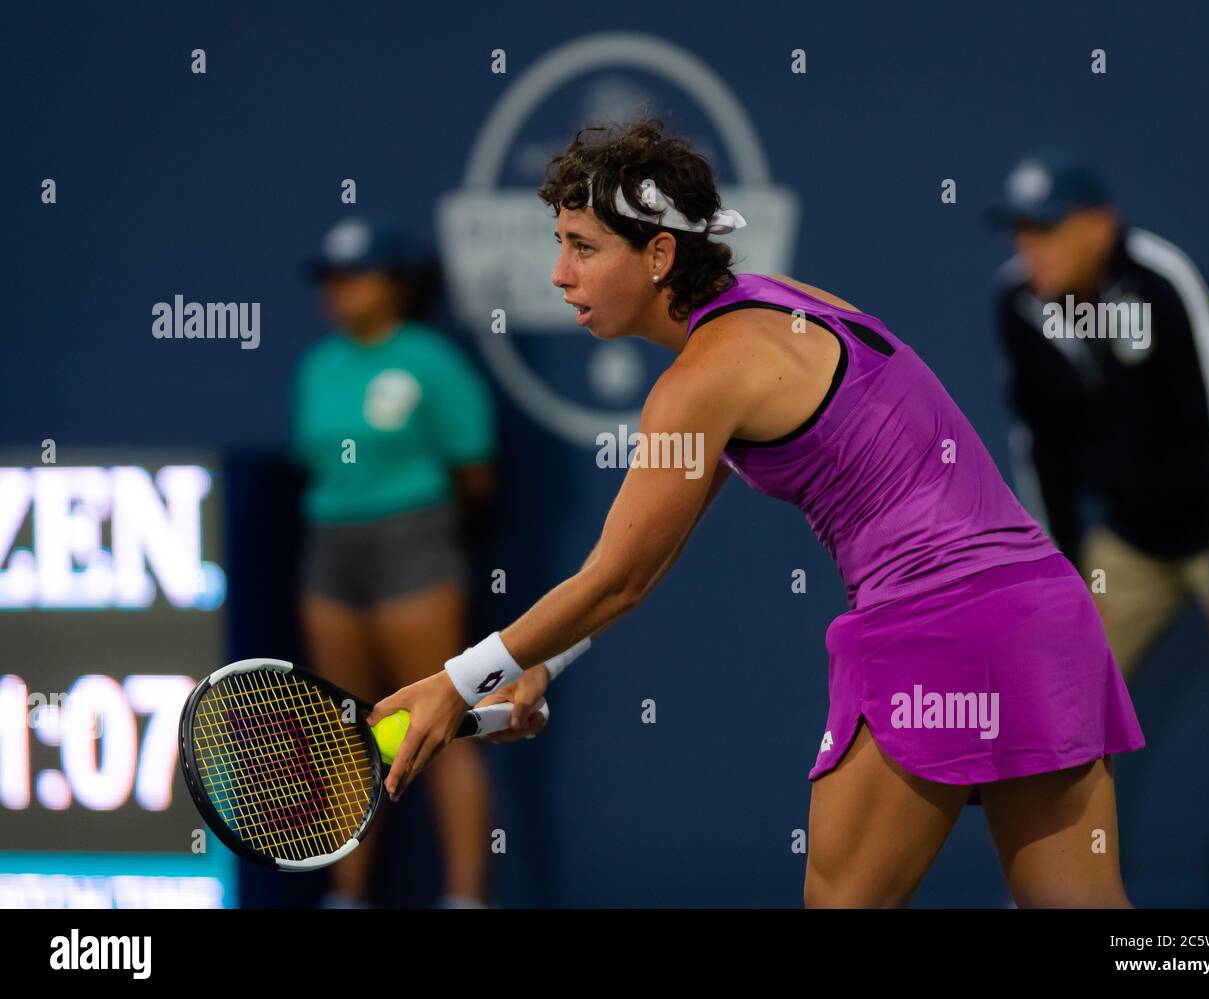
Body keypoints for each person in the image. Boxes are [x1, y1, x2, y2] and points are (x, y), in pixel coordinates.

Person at [370, 119, 1145, 908]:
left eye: (584, 246)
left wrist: (457, 682)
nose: (560, 273)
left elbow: (618, 579)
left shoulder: (700, 382)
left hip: (932, 628)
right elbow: (650, 551)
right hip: (1043, 612)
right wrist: (548, 658)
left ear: (660, 254)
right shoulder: (782, 306)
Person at [989, 150, 1209, 907]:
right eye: (1023, 232)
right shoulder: (1018, 304)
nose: (1033, 249)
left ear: (1101, 226)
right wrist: (1058, 574)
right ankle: (1048, 894)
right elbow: (1042, 449)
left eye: (1050, 230)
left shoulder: (1165, 282)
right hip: (1129, 541)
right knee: (1058, 701)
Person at [292, 216, 498, 908]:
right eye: (331, 279)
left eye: (356, 275)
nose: (340, 291)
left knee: (436, 726)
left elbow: (474, 468)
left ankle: (464, 898)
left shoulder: (432, 360)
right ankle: (347, 896)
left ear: (397, 284)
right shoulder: (317, 365)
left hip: (413, 541)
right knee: (346, 734)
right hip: (330, 547)